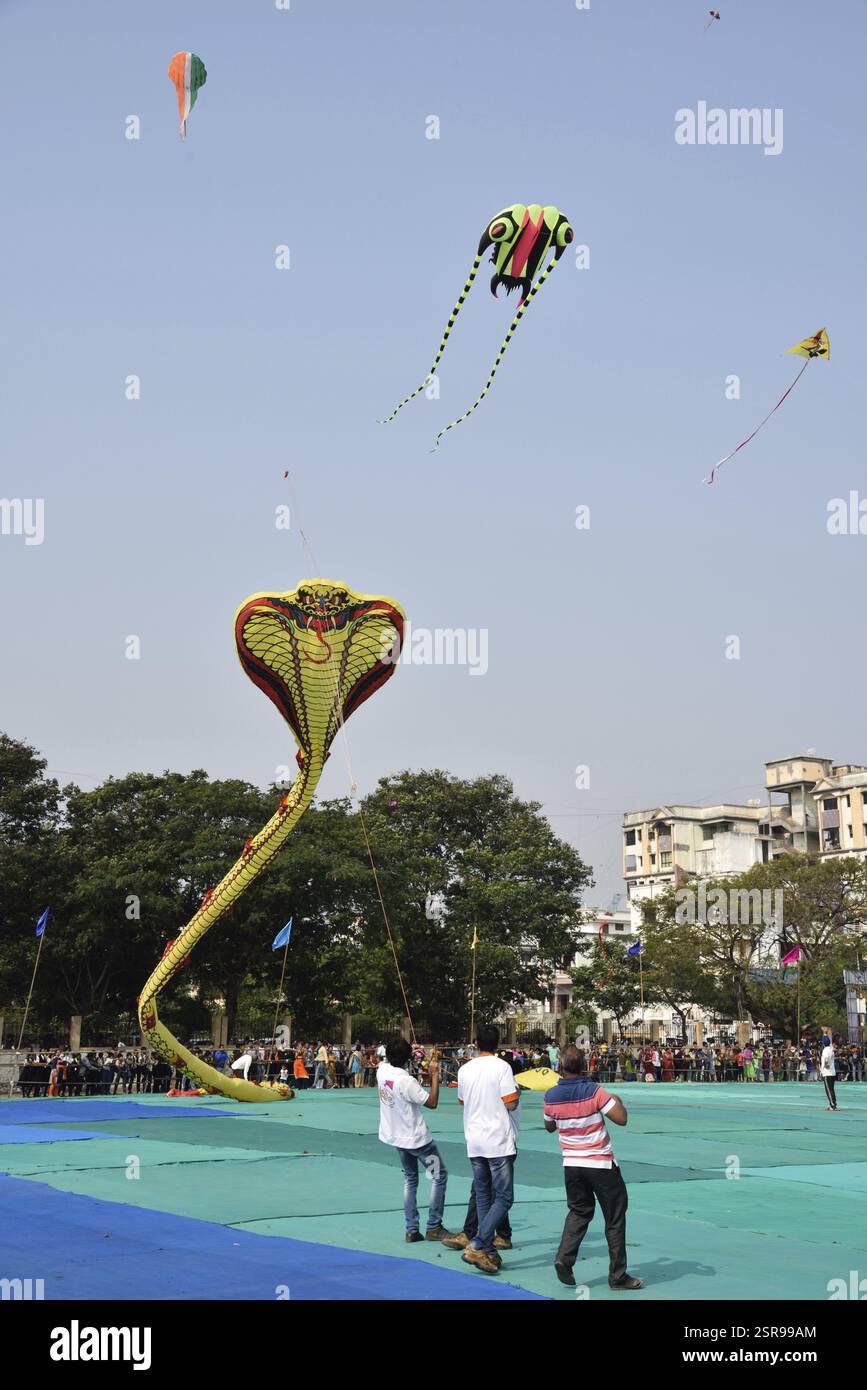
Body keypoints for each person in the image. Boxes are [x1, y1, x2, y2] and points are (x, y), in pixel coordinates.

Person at [543, 1045, 643, 1291]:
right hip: (599, 1162)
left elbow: (549, 1126)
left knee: (579, 1212)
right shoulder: (594, 1091)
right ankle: (617, 1276)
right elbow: (621, 1118)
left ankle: (564, 1259)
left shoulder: (551, 1095)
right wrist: (616, 1100)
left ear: (561, 1067)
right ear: (584, 1065)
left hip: (572, 1164)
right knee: (614, 1217)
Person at [454, 1024, 519, 1275]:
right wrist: (517, 1095)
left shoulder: (465, 1068)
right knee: (504, 1197)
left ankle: (488, 1252)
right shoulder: (502, 1067)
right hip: (497, 1139)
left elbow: (462, 1100)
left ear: (476, 1042)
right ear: (498, 1044)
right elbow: (511, 1103)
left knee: (483, 1196)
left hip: (474, 1138)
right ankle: (479, 1243)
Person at [376, 1037, 451, 1244]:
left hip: (397, 1137)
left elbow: (384, 1058)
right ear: (408, 1057)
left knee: (410, 1179)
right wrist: (435, 1075)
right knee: (439, 1175)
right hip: (418, 1140)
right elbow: (432, 1102)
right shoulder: (407, 1081)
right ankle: (434, 1226)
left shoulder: (382, 1071)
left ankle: (411, 1229)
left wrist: (409, 1050)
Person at [820, 1031, 838, 1112]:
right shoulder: (831, 1050)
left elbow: (826, 1059)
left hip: (827, 1073)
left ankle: (832, 1105)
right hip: (832, 1072)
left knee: (828, 1090)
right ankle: (834, 1104)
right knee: (832, 1089)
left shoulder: (825, 1050)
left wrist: (826, 1065)